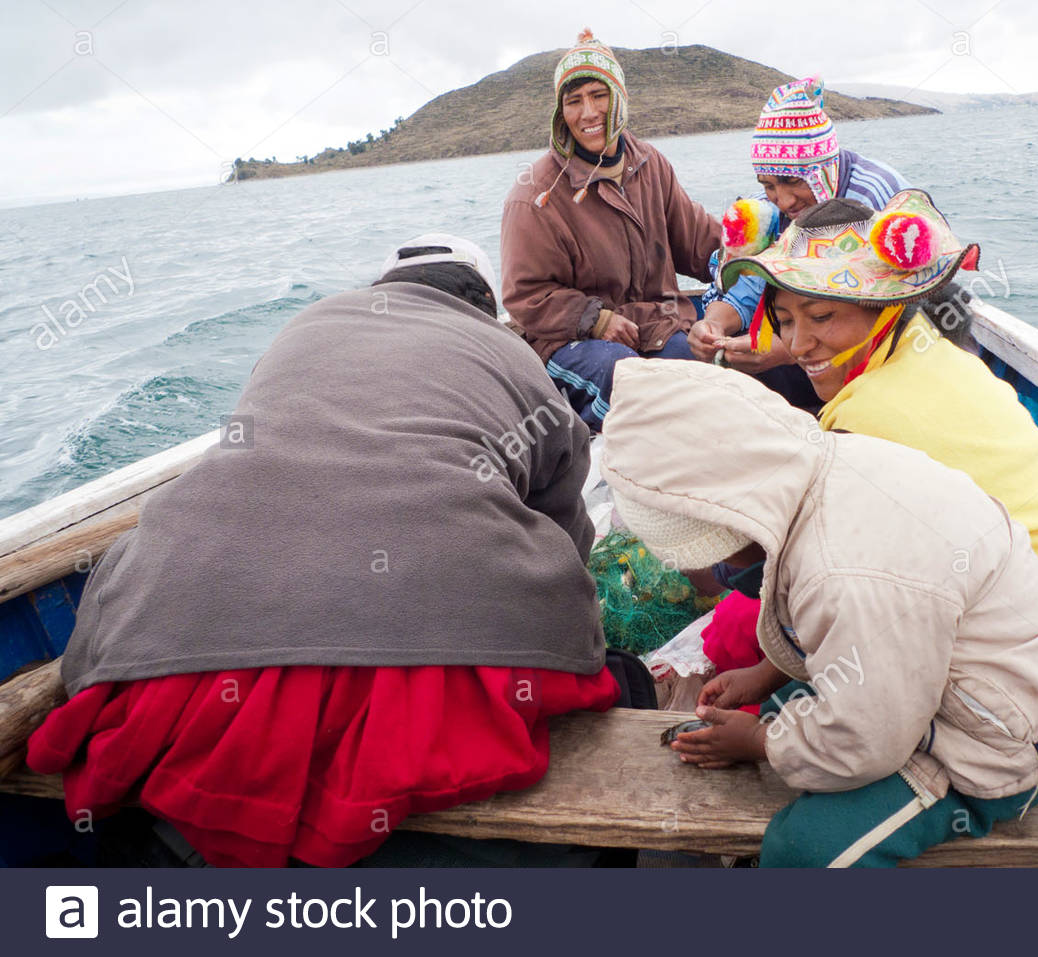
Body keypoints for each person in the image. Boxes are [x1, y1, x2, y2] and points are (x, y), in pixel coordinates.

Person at [27, 234, 621, 867]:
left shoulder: (306, 325)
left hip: (179, 625)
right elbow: (567, 538)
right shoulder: (511, 352)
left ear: (381, 292)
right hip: (443, 641)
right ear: (484, 306)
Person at [713, 192, 1038, 738]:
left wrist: (769, 719)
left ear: (884, 308)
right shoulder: (932, 347)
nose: (799, 344)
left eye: (822, 316)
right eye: (783, 320)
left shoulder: (866, 419)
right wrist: (770, 671)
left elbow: (859, 606)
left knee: (738, 630)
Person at [600, 358, 1038, 867]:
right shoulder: (833, 467)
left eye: (715, 557)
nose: (719, 571)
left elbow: (870, 738)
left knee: (802, 851)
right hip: (974, 675)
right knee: (789, 711)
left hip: (997, 745)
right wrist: (766, 676)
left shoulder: (840, 574)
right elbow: (867, 642)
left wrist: (759, 744)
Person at [500, 29, 720, 430]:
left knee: (696, 367)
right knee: (625, 376)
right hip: (570, 340)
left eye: (598, 95)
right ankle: (602, 459)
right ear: (559, 112)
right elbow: (525, 295)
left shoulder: (649, 163)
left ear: (619, 97)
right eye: (573, 101)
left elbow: (698, 242)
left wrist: (746, 254)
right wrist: (596, 320)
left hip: (652, 322)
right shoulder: (535, 193)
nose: (588, 113)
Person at [689, 76, 911, 385]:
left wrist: (785, 350)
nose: (784, 201)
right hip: (809, 341)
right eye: (769, 186)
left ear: (824, 167)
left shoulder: (876, 199)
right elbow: (754, 285)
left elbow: (895, 305)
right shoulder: (767, 211)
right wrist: (712, 326)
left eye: (793, 181)